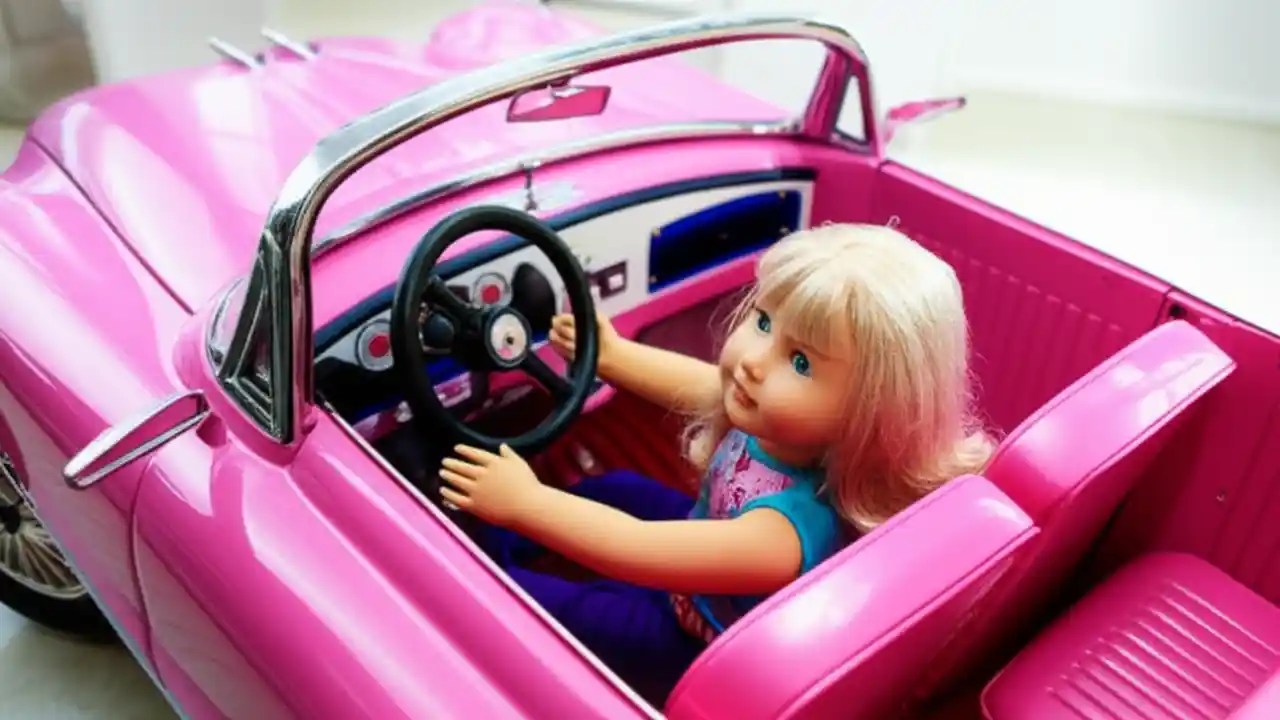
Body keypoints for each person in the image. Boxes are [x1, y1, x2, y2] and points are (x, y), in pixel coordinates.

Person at [438, 223, 995, 702]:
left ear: (870, 412)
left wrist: (528, 502)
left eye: (800, 361)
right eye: (763, 322)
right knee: (621, 487)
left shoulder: (787, 531)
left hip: (689, 638)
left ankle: (485, 570)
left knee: (549, 605)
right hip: (700, 541)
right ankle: (497, 535)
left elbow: (637, 551)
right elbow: (699, 384)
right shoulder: (781, 424)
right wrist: (613, 356)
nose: (753, 362)